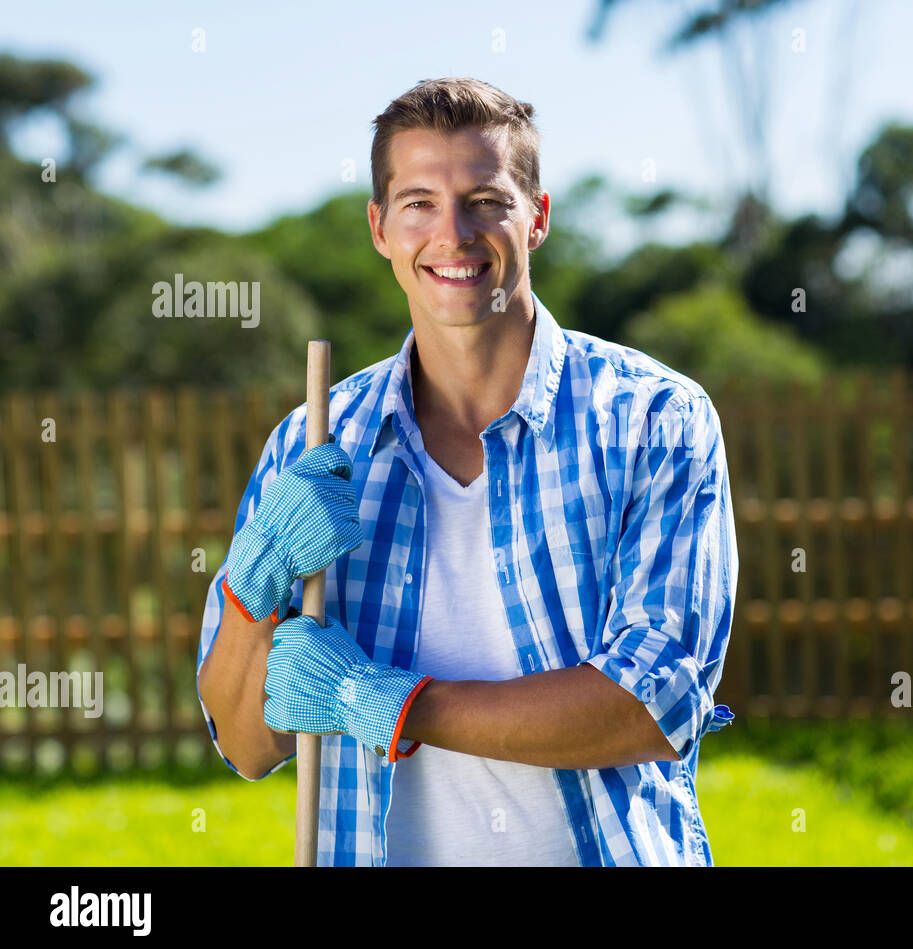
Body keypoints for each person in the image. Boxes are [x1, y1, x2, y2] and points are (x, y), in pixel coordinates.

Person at [195, 77, 737, 866]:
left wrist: (384, 703)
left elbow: (651, 705)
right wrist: (255, 584)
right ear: (380, 229)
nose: (451, 234)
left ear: (538, 217)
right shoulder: (313, 442)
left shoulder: (655, 420)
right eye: (418, 202)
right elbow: (247, 747)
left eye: (485, 200)